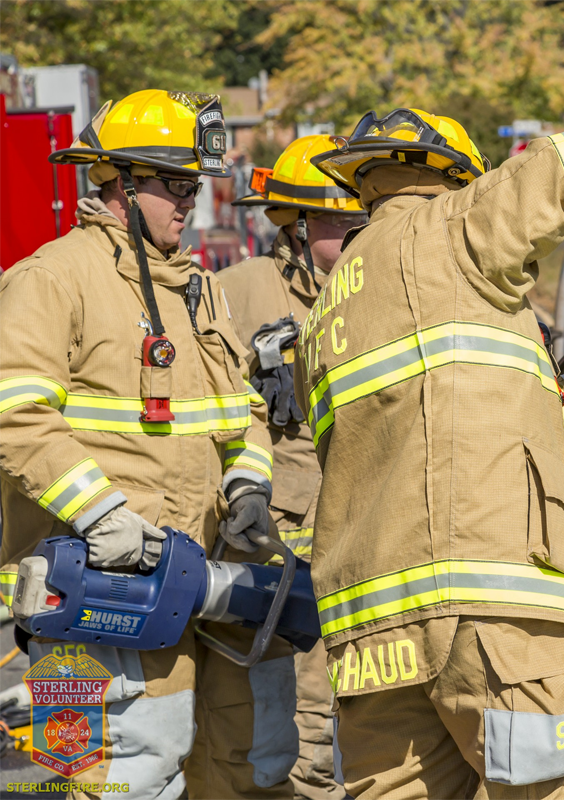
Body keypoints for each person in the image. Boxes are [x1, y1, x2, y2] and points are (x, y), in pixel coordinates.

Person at [292, 109, 564, 799]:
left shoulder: (325, 315)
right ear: (452, 177)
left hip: (374, 647)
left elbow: (434, 438)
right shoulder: (454, 227)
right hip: (499, 617)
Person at [0, 89, 296, 799]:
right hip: (98, 593)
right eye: (175, 185)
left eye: (194, 186)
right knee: (113, 777)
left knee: (243, 764)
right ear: (119, 184)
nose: (189, 202)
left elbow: (242, 411)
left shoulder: (199, 290)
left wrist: (250, 485)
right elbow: (15, 412)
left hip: (204, 584)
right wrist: (101, 513)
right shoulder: (51, 278)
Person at [221, 135, 367, 800]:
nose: (358, 240)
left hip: (363, 552)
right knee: (302, 736)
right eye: (344, 227)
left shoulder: (372, 289)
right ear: (299, 227)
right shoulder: (241, 293)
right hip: (282, 561)